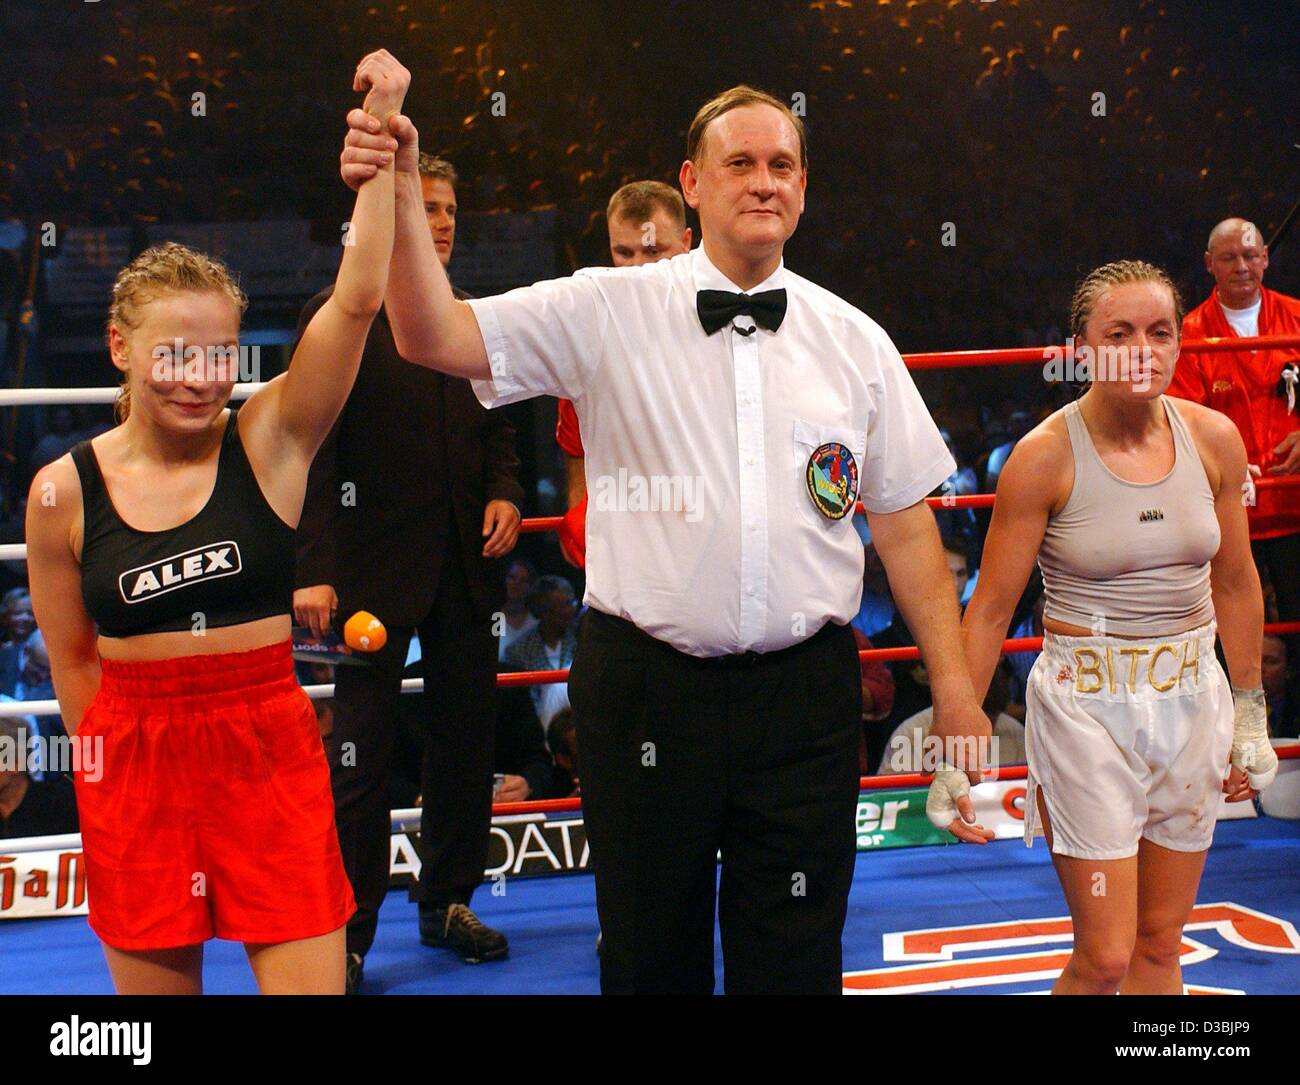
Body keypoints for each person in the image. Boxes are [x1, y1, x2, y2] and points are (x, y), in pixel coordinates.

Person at [339, 67, 992, 993]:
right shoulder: (605, 306)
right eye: (740, 163)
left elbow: (907, 526)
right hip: (648, 690)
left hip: (804, 700)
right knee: (649, 964)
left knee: (798, 964)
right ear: (691, 184)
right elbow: (429, 334)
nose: (763, 181)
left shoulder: (854, 340)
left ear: (803, 186)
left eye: (782, 165)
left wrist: (956, 691)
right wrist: (403, 187)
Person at [24, 50, 404, 995]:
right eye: (174, 354)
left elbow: (359, 299)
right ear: (120, 346)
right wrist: (115, 769)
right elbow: (72, 660)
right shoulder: (63, 491)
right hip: (135, 761)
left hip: (266, 743)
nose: (200, 378)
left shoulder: (270, 438)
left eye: (219, 353)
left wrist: (383, 147)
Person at [958, 260, 1276, 995]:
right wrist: (956, 739)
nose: (1142, 350)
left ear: (1180, 342)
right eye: (1120, 333)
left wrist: (1250, 711)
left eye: (1160, 332)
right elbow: (992, 607)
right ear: (1082, 350)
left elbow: (1235, 580)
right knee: (1105, 955)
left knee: (1160, 943)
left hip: (1191, 694)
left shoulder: (1215, 439)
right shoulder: (1042, 457)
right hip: (1087, 707)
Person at [293, 146, 523, 992]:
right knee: (359, 753)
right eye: (426, 207)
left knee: (465, 742)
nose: (443, 223)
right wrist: (311, 566)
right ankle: (348, 931)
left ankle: (449, 900)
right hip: (365, 569)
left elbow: (500, 423)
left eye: (450, 211)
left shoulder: (469, 315)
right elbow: (308, 445)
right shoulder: (338, 313)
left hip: (466, 563)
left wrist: (506, 491)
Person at [1167, 218, 1300, 645]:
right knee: (1228, 636)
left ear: (1265, 258)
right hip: (1226, 513)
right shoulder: (1190, 336)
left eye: (1249, 255)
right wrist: (1225, 465)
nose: (1241, 266)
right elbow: (1180, 420)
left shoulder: (1297, 318)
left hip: (1294, 504)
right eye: (1229, 257)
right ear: (1210, 263)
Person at [556, 181, 693, 568]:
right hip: (626, 544)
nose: (637, 268)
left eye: (653, 251)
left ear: (686, 243)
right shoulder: (591, 332)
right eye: (624, 252)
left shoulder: (725, 320)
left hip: (707, 530)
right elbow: (576, 446)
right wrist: (581, 517)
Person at [503, 574, 579, 728]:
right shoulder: (518, 652)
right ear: (545, 612)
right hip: (536, 729)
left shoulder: (580, 642)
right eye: (565, 605)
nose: (572, 609)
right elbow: (520, 707)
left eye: (572, 602)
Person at [497, 558, 538, 662]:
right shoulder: (494, 619)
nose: (516, 583)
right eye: (512, 577)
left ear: (530, 586)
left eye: (523, 580)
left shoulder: (536, 624)